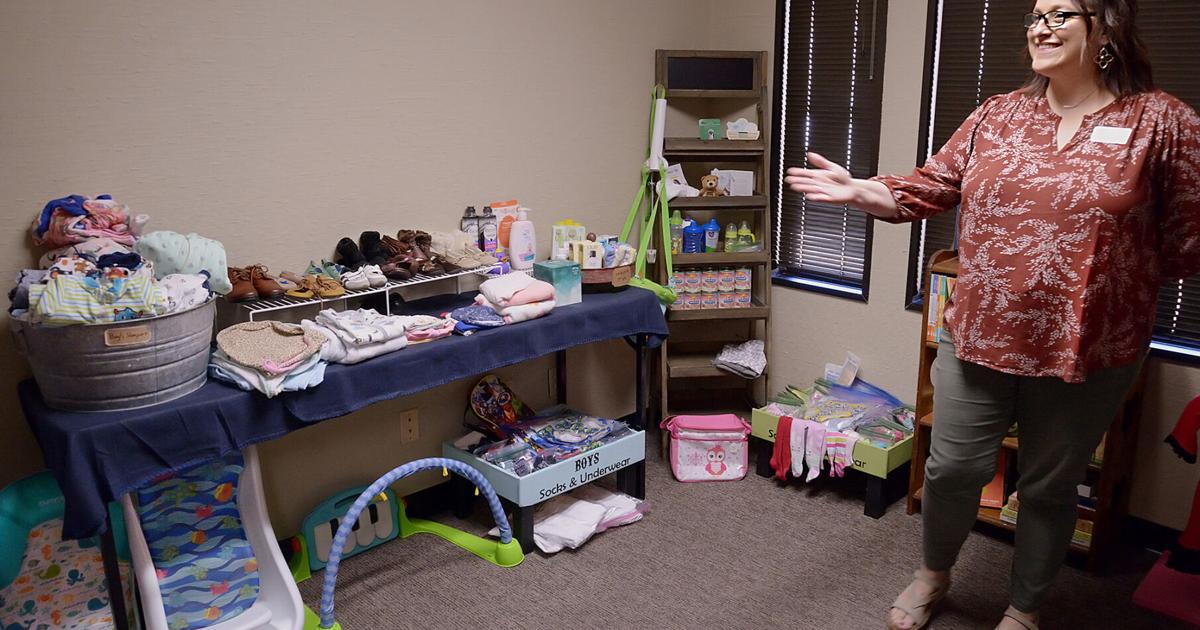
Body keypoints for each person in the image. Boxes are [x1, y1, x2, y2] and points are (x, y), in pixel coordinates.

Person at [785, 1, 1200, 629]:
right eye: (1036, 15)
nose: (1040, 26)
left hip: (1087, 349)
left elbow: (1186, 239)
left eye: (1061, 14)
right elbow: (934, 184)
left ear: (1107, 25)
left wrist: (1111, 285)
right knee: (952, 469)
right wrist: (869, 191)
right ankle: (932, 575)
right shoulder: (999, 115)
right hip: (979, 334)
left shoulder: (1163, 123)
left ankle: (1026, 607)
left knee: (1048, 487)